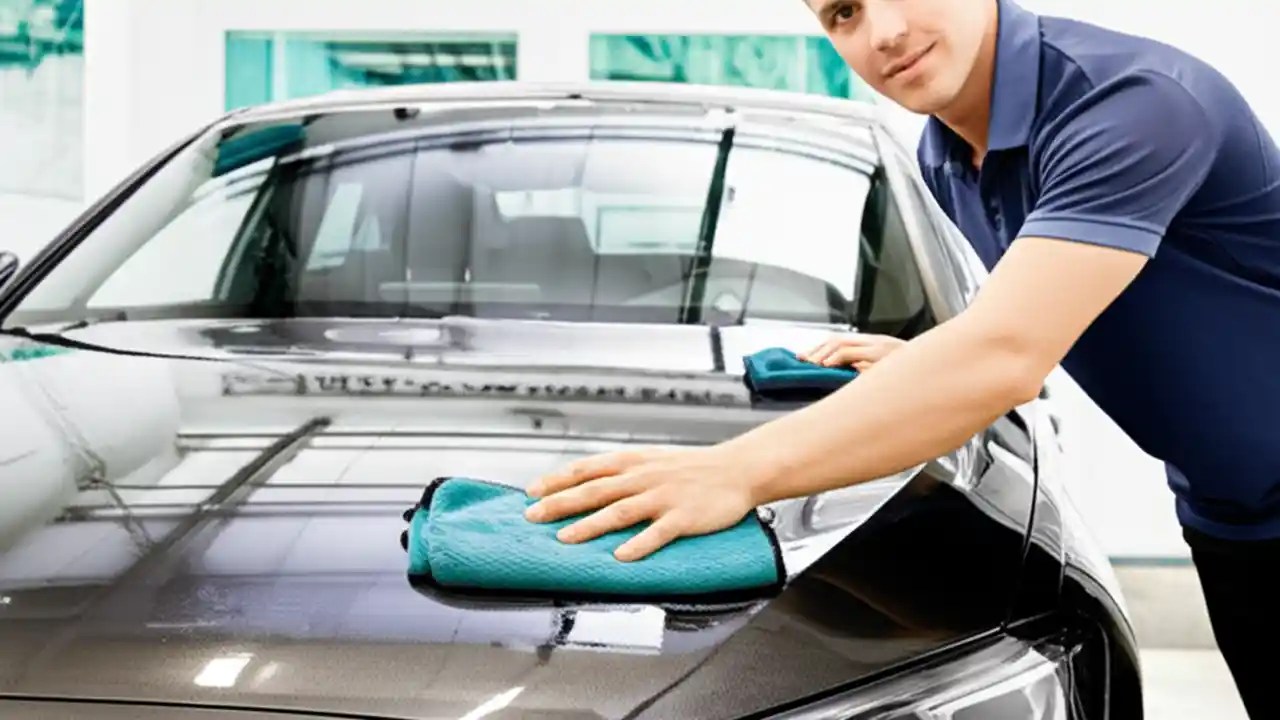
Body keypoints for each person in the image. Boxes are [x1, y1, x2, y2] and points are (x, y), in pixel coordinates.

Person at [524, 0, 1280, 715]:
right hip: (1230, 518)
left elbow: (1009, 356)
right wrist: (934, 358)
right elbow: (1043, 324)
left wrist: (731, 472)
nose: (881, 31)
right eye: (843, 13)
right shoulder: (949, 155)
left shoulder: (1131, 103)